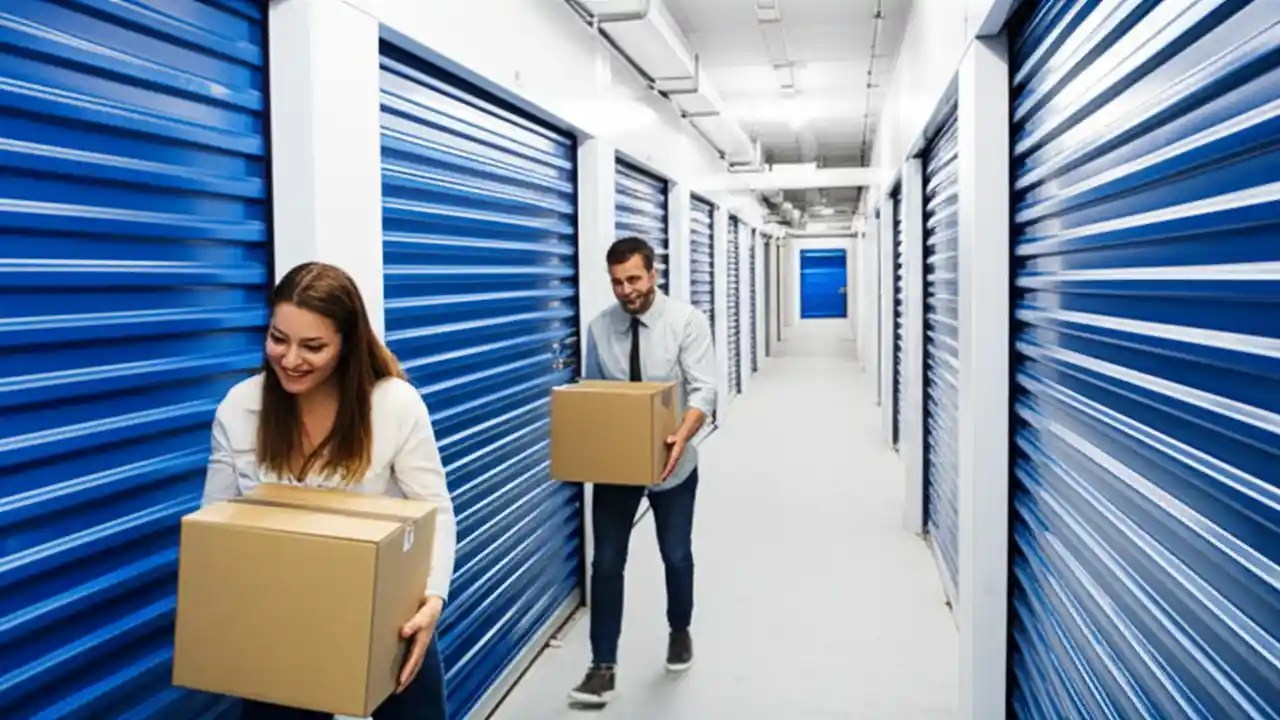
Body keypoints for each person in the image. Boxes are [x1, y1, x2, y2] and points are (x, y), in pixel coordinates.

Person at [201, 262, 456, 720]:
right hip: (279, 620)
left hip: (388, 617)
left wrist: (433, 600)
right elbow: (217, 527)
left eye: (313, 346)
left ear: (347, 345)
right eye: (278, 339)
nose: (290, 359)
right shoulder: (240, 409)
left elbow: (435, 509)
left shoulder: (393, 406)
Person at [568, 237, 717, 707]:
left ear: (653, 274)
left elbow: (704, 390)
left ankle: (680, 629)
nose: (626, 290)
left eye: (634, 279)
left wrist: (681, 437)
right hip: (618, 467)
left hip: (674, 464)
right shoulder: (600, 328)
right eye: (617, 282)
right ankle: (602, 666)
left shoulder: (686, 322)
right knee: (606, 562)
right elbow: (593, 396)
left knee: (676, 554)